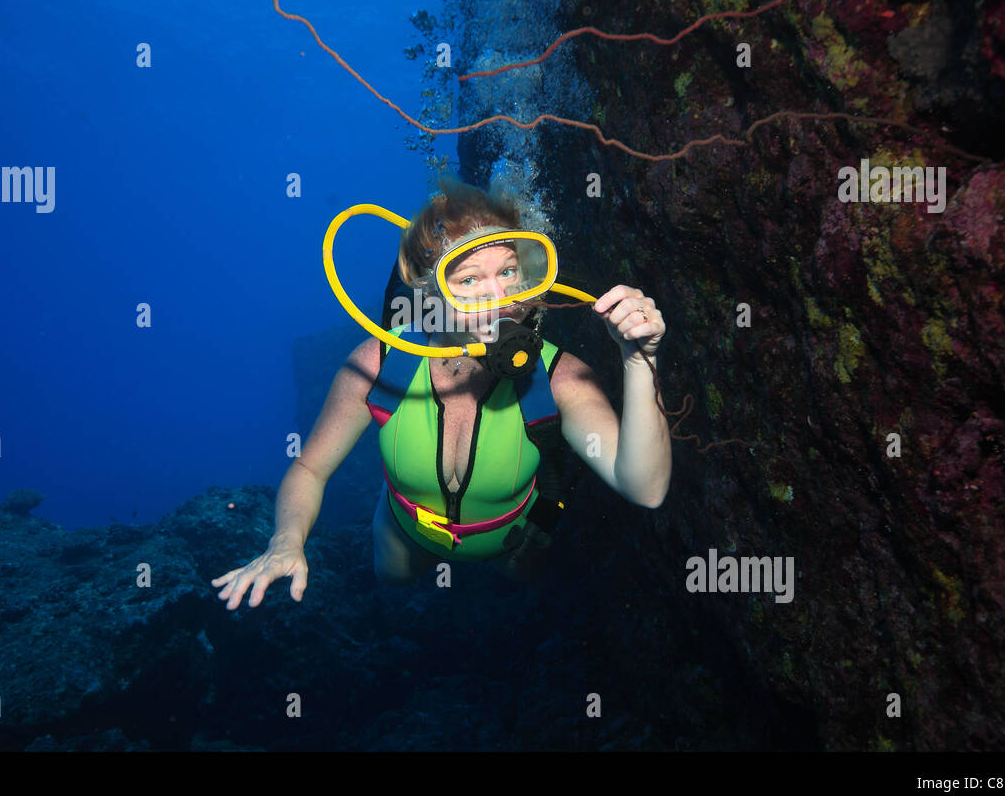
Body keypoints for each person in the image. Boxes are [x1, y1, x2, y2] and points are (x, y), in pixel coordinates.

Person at [212, 176, 671, 609]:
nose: (501, 298)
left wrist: (639, 360)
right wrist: (285, 543)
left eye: (509, 271)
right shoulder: (378, 365)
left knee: (523, 586)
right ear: (428, 292)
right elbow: (310, 469)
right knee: (392, 578)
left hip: (514, 536)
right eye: (469, 279)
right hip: (406, 535)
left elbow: (646, 489)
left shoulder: (562, 378)